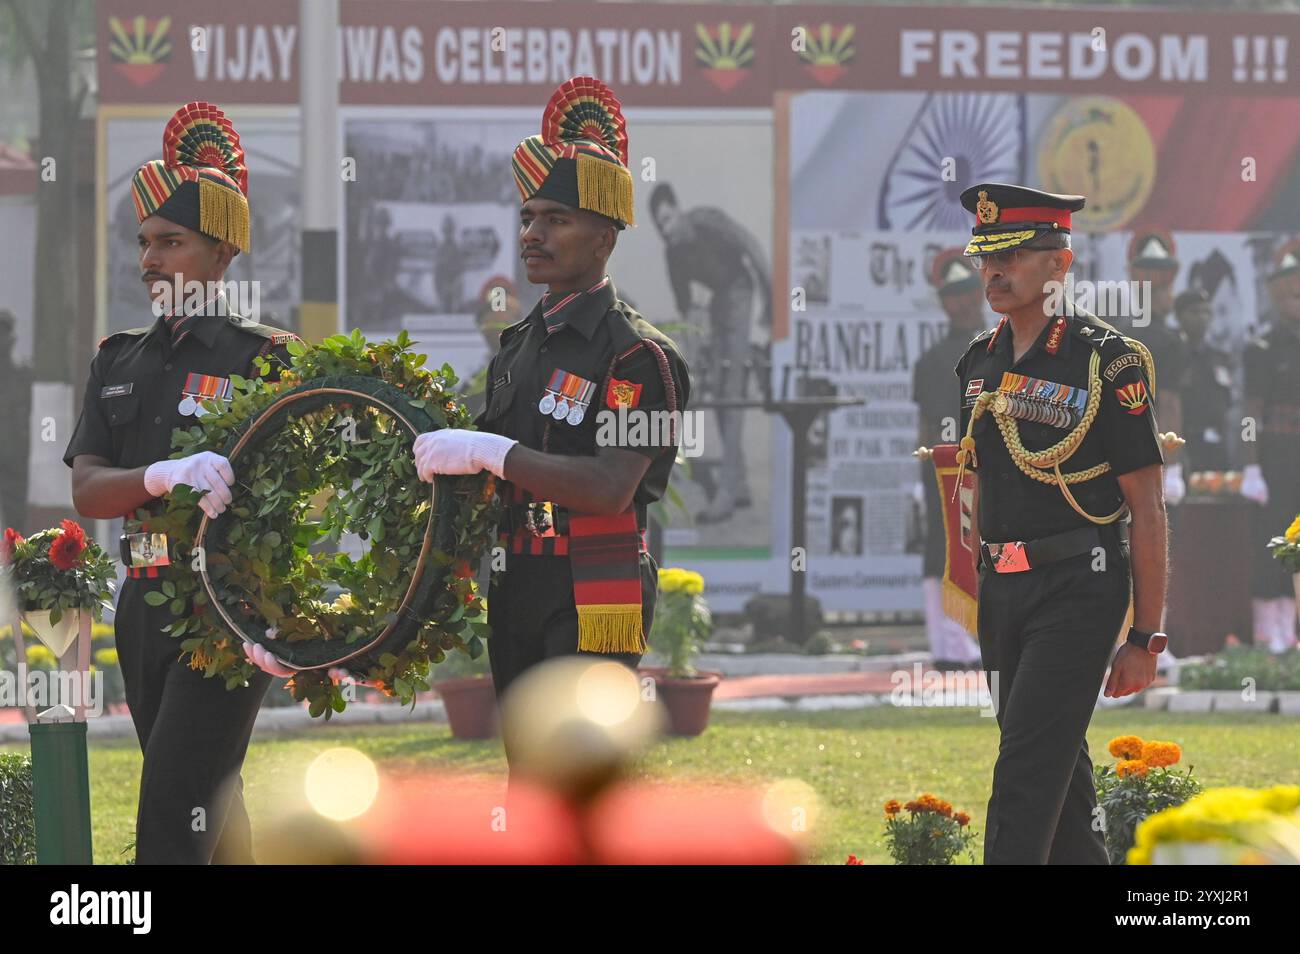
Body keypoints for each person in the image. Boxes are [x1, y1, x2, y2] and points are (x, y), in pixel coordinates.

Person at [409, 77, 691, 761]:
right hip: (518, 577)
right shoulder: (519, 344)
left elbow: (607, 488)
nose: (533, 234)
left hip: (593, 587)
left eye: (556, 220)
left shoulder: (639, 356)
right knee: (527, 782)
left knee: (575, 776)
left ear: (605, 232)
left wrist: (491, 452)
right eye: (528, 217)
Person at [63, 102, 303, 864]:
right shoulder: (118, 360)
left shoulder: (266, 358)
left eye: (172, 242)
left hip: (226, 608)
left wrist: (282, 615)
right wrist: (161, 474)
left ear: (223, 251)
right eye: (143, 243)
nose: (150, 260)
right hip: (143, 604)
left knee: (172, 809)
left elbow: (300, 497)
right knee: (212, 808)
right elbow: (90, 491)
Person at [953, 183, 1168, 864]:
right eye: (986, 256)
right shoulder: (976, 363)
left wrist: (1145, 635)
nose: (994, 271)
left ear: (1060, 264)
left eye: (1012, 256)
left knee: (1022, 775)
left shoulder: (1107, 360)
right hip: (1003, 591)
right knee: (1058, 776)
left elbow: (1147, 507)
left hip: (1081, 583)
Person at [649, 181, 769, 524]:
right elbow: (686, 311)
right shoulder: (672, 253)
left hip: (741, 292)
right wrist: (691, 360)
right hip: (718, 301)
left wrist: (772, 304)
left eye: (669, 220)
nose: (666, 231)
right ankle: (741, 483)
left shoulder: (705, 222)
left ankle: (727, 492)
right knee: (717, 388)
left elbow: (752, 246)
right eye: (660, 226)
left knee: (732, 389)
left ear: (679, 211)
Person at [913, 249, 985, 671]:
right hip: (946, 463)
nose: (964, 302)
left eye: (969, 291)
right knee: (944, 546)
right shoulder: (932, 361)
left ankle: (961, 639)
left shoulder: (998, 347)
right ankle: (948, 643)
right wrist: (920, 474)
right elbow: (924, 424)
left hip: (985, 460)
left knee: (975, 547)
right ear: (943, 303)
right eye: (954, 294)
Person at [1241, 240, 1300, 653]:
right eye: (1290, 292)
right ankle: (1269, 629)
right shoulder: (1261, 349)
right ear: (1277, 296)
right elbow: (1250, 415)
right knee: (1276, 541)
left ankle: (1292, 626)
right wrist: (1251, 466)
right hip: (1276, 458)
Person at [1125, 230, 1189, 507]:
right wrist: (1173, 467)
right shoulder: (1171, 341)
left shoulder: (1121, 334)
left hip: (1126, 449)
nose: (1171, 299)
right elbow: (1170, 403)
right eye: (1166, 292)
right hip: (1160, 450)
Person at [1174, 288, 1233, 474]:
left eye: (1206, 312)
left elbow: (1227, 404)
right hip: (1181, 443)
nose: (1202, 318)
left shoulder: (1219, 357)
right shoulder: (1173, 355)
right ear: (1179, 316)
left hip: (1215, 446)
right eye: (1194, 312)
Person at [0, 309, 31, 531]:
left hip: (14, 461)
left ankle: (16, 565)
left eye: (4, 333)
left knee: (16, 526)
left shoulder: (24, 378)